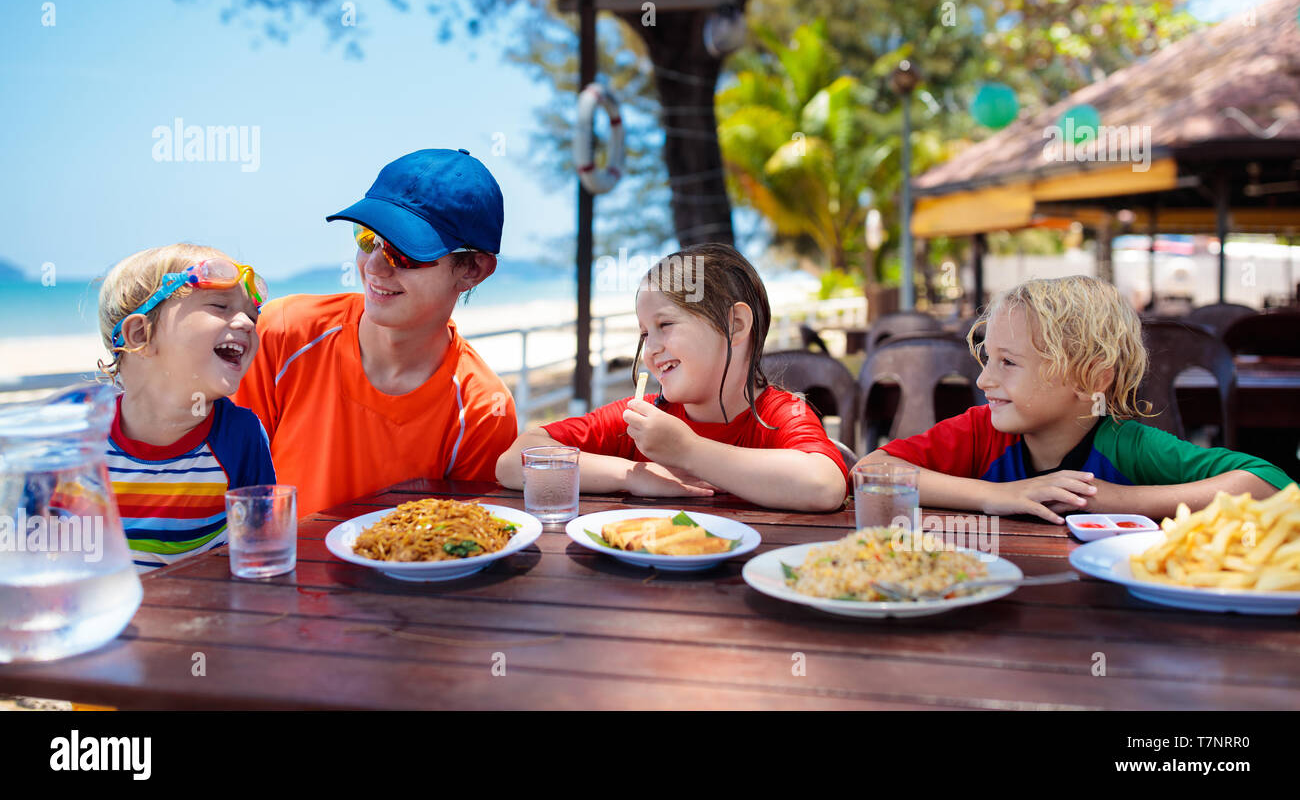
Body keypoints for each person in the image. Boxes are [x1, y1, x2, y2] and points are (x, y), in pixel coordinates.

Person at [858, 275, 1294, 524]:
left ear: (1091, 379)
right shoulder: (980, 432)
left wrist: (1115, 500)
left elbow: (1272, 484)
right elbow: (870, 469)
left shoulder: (1125, 445)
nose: (985, 379)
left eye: (1009, 363)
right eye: (988, 358)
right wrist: (999, 494)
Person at [235, 148, 517, 517]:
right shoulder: (283, 332)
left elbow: (459, 542)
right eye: (368, 238)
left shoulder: (482, 411)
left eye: (405, 252)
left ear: (473, 270)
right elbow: (231, 493)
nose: (374, 266)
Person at [497, 243, 847, 512]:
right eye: (645, 334)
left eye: (665, 325)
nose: (650, 350)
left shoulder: (779, 417)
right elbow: (514, 463)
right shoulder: (642, 418)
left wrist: (687, 451)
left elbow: (825, 485)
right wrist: (632, 475)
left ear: (735, 325)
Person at [97, 243, 276, 568]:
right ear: (140, 334)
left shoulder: (239, 437)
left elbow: (258, 553)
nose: (248, 324)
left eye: (252, 314)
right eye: (221, 306)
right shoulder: (83, 441)